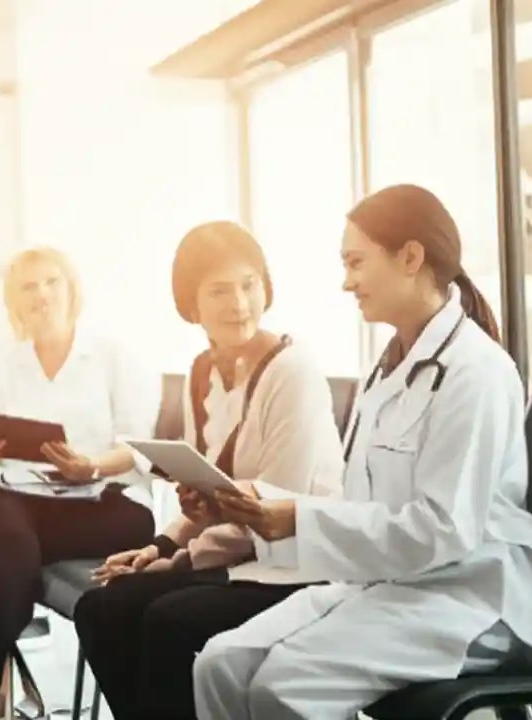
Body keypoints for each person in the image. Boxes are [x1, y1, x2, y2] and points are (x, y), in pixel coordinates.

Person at [191, 185, 532, 719]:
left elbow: (444, 530)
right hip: (389, 587)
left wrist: (298, 519)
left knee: (285, 687)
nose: (346, 282)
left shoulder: (476, 374)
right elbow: (360, 504)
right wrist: (262, 510)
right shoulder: (387, 369)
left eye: (356, 263)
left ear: (411, 257)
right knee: (220, 664)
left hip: (467, 601)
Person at [71, 222, 344, 720]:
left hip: (294, 566)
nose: (239, 303)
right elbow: (204, 489)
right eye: (220, 290)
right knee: (99, 609)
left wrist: (179, 561)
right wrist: (162, 545)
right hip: (235, 560)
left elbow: (270, 512)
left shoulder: (293, 371)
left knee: (167, 620)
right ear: (190, 305)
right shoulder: (201, 372)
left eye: (249, 284)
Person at [0, 246, 160, 717]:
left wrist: (90, 465)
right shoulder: (7, 365)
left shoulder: (110, 353)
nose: (42, 294)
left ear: (72, 291)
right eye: (29, 286)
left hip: (112, 504)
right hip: (36, 504)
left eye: (52, 282)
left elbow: (136, 447)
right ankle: (2, 675)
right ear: (15, 302)